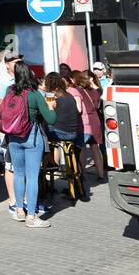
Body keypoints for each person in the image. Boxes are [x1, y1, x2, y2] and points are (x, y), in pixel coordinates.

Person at [2, 64, 56, 228]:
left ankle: (19, 210)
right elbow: (51, 119)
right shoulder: (35, 95)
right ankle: (31, 217)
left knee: (18, 174)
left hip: (13, 137)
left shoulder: (9, 91)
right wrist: (51, 107)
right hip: (31, 137)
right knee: (32, 177)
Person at [0, 51, 22, 216]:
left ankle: (28, 200)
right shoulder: (2, 82)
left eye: (20, 60)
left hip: (25, 128)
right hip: (8, 127)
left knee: (24, 165)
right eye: (14, 61)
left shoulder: (26, 79)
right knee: (11, 165)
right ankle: (13, 201)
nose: (18, 63)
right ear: (7, 64)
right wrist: (16, 110)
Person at [44, 72, 85, 202]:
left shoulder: (51, 96)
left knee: (42, 137)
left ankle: (48, 168)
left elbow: (48, 113)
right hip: (72, 134)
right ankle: (74, 185)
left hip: (58, 133)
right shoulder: (69, 96)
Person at [73, 69, 107, 184]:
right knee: (95, 148)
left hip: (84, 120)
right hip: (95, 119)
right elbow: (97, 106)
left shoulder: (78, 91)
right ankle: (101, 174)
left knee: (82, 148)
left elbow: (79, 108)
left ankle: (83, 173)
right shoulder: (95, 91)